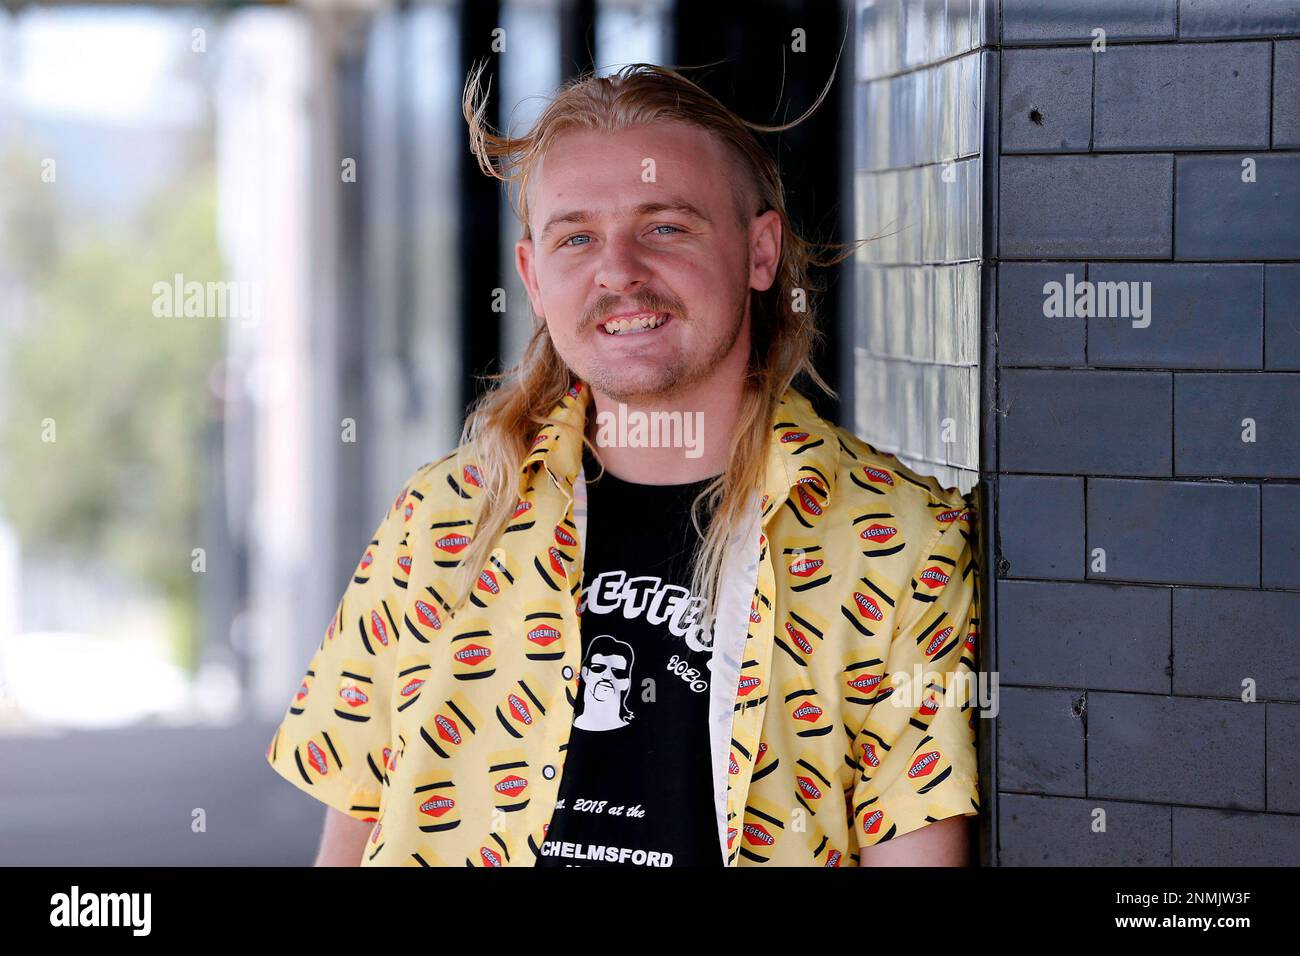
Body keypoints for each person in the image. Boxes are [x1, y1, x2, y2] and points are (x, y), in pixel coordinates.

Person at [265, 61, 982, 867]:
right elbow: (350, 833)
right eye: (576, 238)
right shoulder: (442, 522)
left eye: (666, 226)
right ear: (534, 279)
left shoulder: (896, 541)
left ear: (760, 251)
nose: (618, 271)